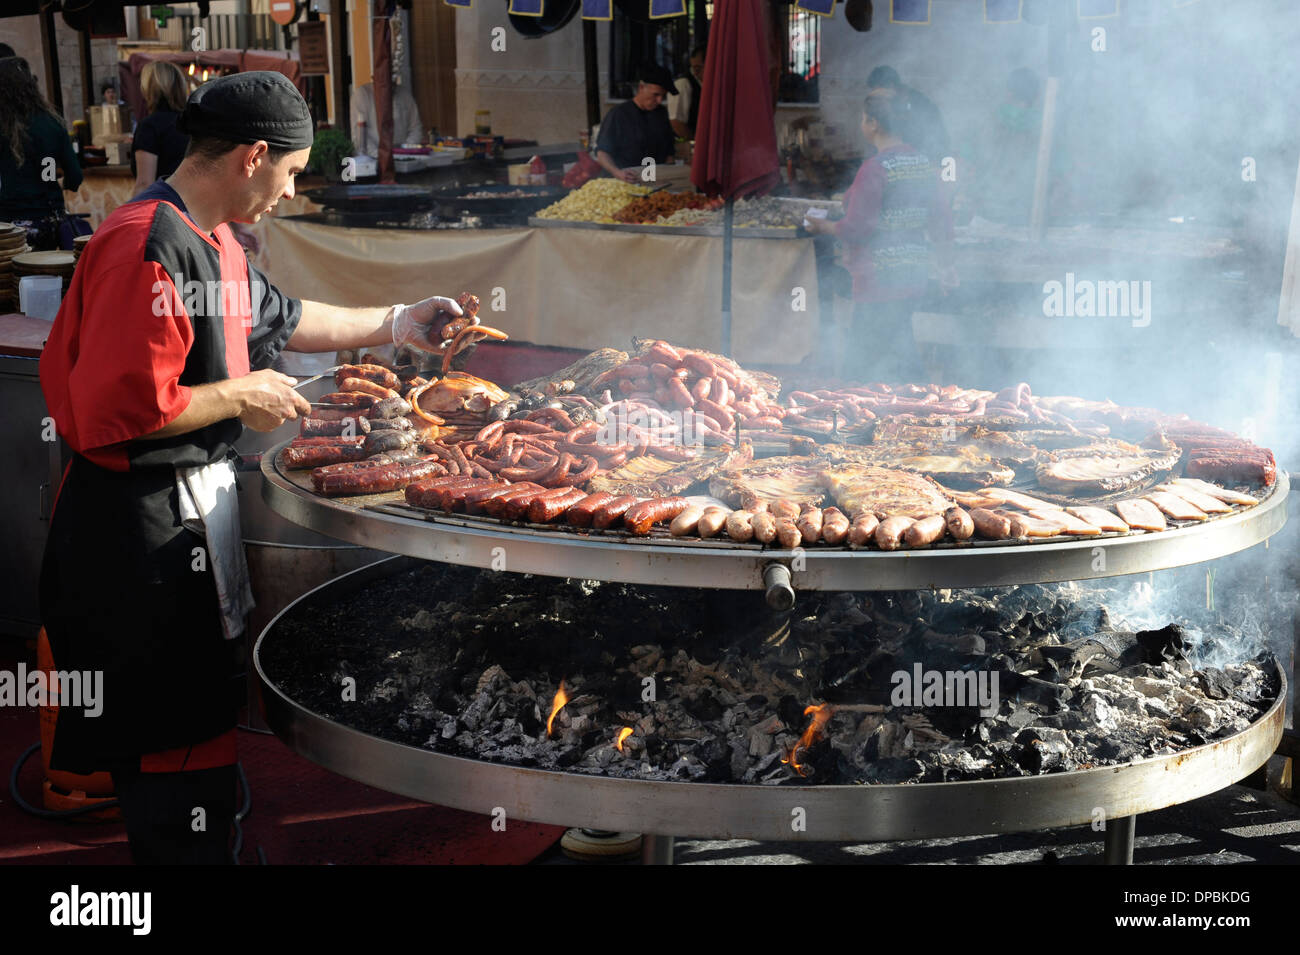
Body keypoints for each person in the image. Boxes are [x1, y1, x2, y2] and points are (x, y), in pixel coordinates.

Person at [39, 72, 465, 865]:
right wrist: (238, 394)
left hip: (190, 515)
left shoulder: (218, 241)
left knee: (200, 719)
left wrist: (400, 319)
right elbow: (115, 413)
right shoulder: (145, 245)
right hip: (135, 537)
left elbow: (290, 320)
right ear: (253, 156)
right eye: (294, 172)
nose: (293, 191)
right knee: (168, 740)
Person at [803, 92, 954, 383]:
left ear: (873, 123)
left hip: (878, 279)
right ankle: (915, 404)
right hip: (913, 275)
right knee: (898, 348)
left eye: (863, 118)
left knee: (861, 365)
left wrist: (822, 227)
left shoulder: (874, 169)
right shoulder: (923, 164)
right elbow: (942, 222)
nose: (862, 124)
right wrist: (947, 268)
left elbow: (857, 228)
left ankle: (860, 413)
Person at [0, 57, 82, 248]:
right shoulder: (52, 124)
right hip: (46, 220)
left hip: (5, 225)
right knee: (47, 275)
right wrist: (52, 179)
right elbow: (74, 176)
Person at [595, 62, 677, 183]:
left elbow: (669, 151)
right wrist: (617, 172)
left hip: (655, 181)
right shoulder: (618, 114)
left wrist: (669, 173)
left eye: (663, 96)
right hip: (624, 181)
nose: (659, 100)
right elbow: (602, 152)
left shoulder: (661, 114)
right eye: (656, 94)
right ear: (641, 87)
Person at [866, 65, 949, 164]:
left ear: (890, 86)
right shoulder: (892, 105)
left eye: (878, 92)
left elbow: (937, 140)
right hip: (905, 163)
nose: (877, 97)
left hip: (925, 163)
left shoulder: (920, 104)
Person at [131, 60, 190, 192]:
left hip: (165, 206)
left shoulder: (150, 127)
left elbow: (145, 183)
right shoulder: (194, 123)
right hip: (195, 206)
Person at [351, 80, 424, 156]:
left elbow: (416, 128)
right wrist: (381, 156)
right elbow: (358, 135)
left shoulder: (405, 94)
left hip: (403, 157)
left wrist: (405, 152)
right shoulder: (362, 94)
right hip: (371, 160)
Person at [667, 46, 705, 141]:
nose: (695, 73)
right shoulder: (683, 85)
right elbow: (676, 123)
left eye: (699, 69)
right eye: (695, 68)